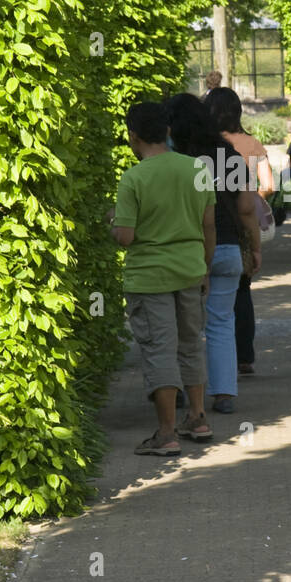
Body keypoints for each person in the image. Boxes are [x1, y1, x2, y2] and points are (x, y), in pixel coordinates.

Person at [110, 102, 217, 455]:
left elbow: (125, 237)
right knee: (190, 344)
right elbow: (208, 225)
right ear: (168, 132)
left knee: (159, 350)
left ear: (133, 136)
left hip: (149, 277)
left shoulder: (134, 178)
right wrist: (205, 268)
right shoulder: (197, 169)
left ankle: (167, 433)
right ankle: (198, 419)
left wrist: (114, 223)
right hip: (190, 270)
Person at [166, 94, 261, 413]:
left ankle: (179, 389)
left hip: (186, 250)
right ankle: (224, 394)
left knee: (183, 324)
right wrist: (255, 249)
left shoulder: (174, 157)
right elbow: (248, 208)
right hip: (229, 247)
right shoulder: (229, 155)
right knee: (222, 320)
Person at [206, 87, 273, 377]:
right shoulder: (251, 144)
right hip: (240, 229)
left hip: (206, 226)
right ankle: (244, 356)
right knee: (242, 291)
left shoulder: (202, 146)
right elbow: (268, 184)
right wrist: (250, 201)